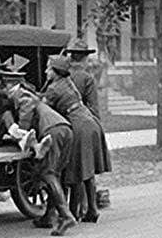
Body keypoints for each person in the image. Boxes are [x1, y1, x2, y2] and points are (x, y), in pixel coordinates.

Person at [1, 55, 77, 237]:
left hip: (52, 130)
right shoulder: (26, 93)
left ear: (10, 83)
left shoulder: (21, 94)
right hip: (64, 128)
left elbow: (27, 107)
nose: (4, 89)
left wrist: (22, 132)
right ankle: (50, 215)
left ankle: (66, 216)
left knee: (47, 173)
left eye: (5, 84)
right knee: (54, 174)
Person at [42, 54, 111, 224]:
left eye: (48, 68)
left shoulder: (53, 89)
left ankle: (71, 212)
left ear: (56, 72)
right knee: (87, 168)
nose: (45, 71)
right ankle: (92, 210)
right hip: (90, 122)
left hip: (78, 125)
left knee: (74, 167)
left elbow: (43, 107)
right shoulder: (67, 83)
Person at [63, 38, 100, 119]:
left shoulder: (60, 73)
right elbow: (92, 107)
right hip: (80, 119)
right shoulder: (87, 78)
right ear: (85, 58)